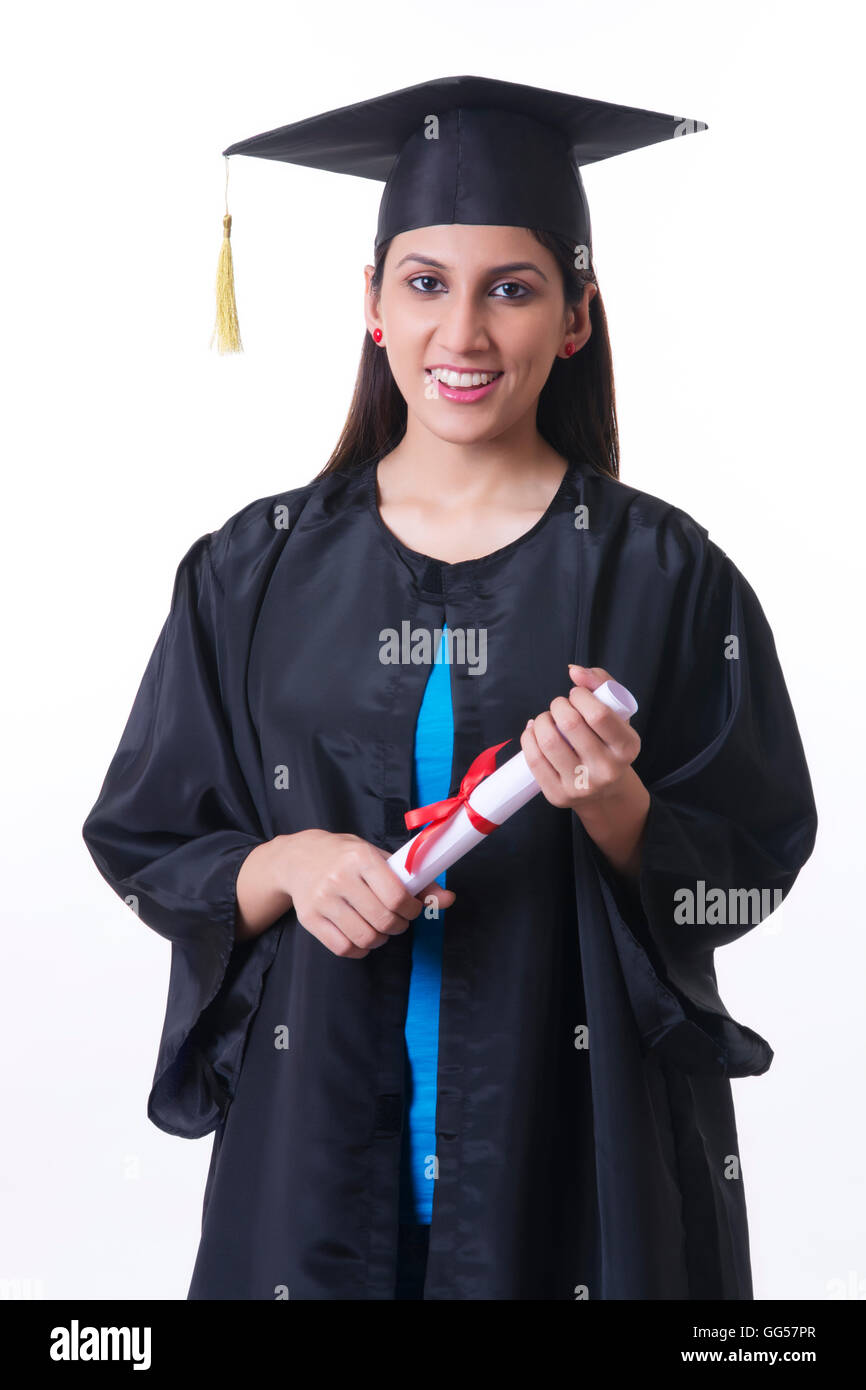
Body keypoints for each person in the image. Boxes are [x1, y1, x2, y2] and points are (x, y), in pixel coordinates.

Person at [81, 76, 817, 1300]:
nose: (461, 335)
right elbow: (152, 833)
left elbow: (750, 856)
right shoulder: (250, 570)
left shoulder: (664, 576)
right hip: (312, 1170)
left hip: (577, 1169)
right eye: (423, 283)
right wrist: (286, 865)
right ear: (370, 304)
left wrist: (616, 810)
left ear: (574, 317)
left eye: (511, 289)